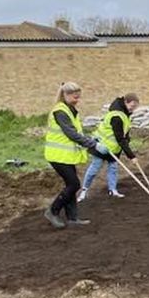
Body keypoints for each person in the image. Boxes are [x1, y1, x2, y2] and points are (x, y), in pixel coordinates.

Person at [43, 82, 109, 229]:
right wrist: (94, 145)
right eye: (74, 97)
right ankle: (52, 211)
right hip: (57, 155)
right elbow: (71, 134)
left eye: (78, 98)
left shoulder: (71, 110)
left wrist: (92, 139)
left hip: (66, 155)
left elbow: (77, 131)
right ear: (65, 95)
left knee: (71, 185)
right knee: (74, 184)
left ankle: (72, 218)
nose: (77, 100)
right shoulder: (60, 111)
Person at [78, 93, 140, 201]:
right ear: (126, 102)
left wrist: (128, 140)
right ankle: (84, 191)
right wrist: (131, 156)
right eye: (132, 106)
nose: (133, 108)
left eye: (135, 107)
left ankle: (113, 190)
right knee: (94, 168)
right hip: (102, 146)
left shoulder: (125, 115)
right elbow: (120, 138)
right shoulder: (117, 116)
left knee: (113, 169)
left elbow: (125, 134)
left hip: (114, 148)